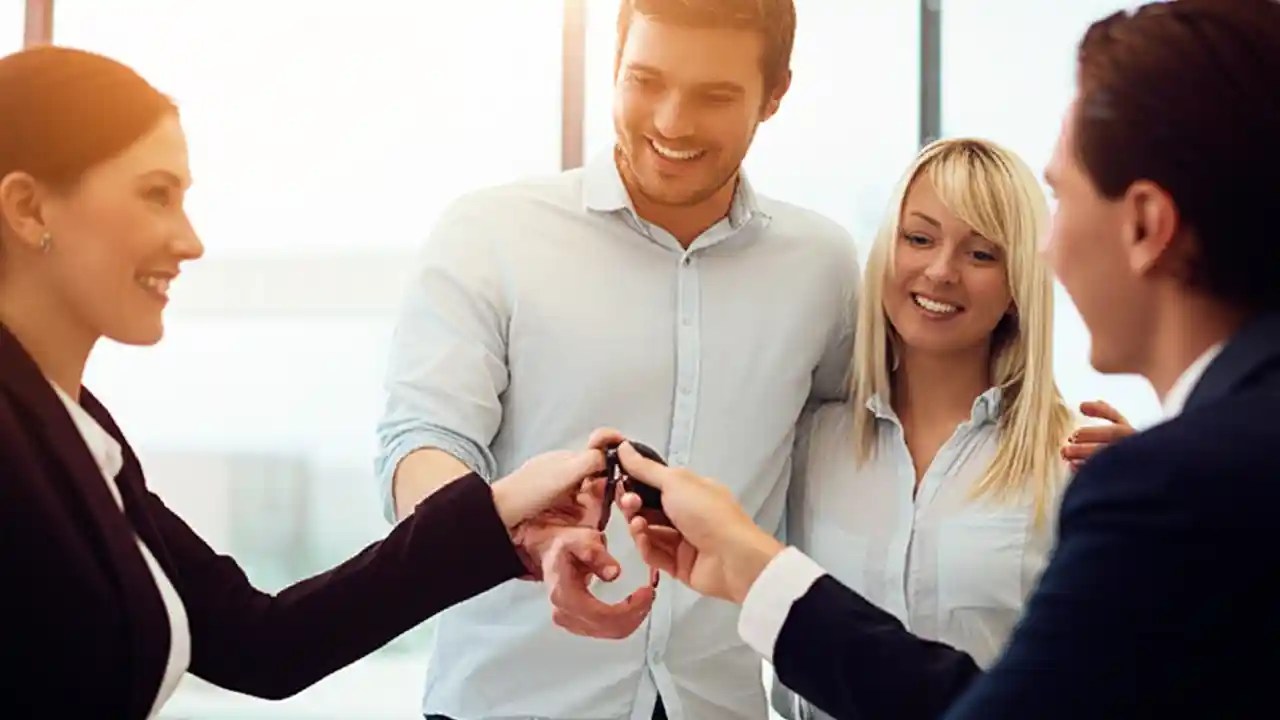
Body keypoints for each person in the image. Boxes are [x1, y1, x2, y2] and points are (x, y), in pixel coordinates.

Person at [606, 0, 1280, 717]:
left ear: (1145, 224)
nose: (1049, 248)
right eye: (919, 238)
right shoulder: (812, 437)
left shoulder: (1137, 477)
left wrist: (756, 573)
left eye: (1060, 200)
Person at [0, 46, 621, 720]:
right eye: (156, 195)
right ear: (29, 209)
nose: (190, 240)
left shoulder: (80, 433)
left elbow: (260, 643)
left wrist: (496, 512)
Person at [374, 1, 862, 718]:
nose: (670, 122)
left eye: (715, 95)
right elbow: (421, 444)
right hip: (508, 703)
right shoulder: (491, 233)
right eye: (645, 81)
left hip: (716, 702)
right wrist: (512, 540)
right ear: (613, 67)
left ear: (776, 93)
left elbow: (864, 451)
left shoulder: (822, 266)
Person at [770, 136, 1129, 719]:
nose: (940, 271)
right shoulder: (808, 441)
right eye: (919, 238)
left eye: (982, 254)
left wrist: (1157, 492)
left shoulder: (1074, 462)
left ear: (1017, 287)